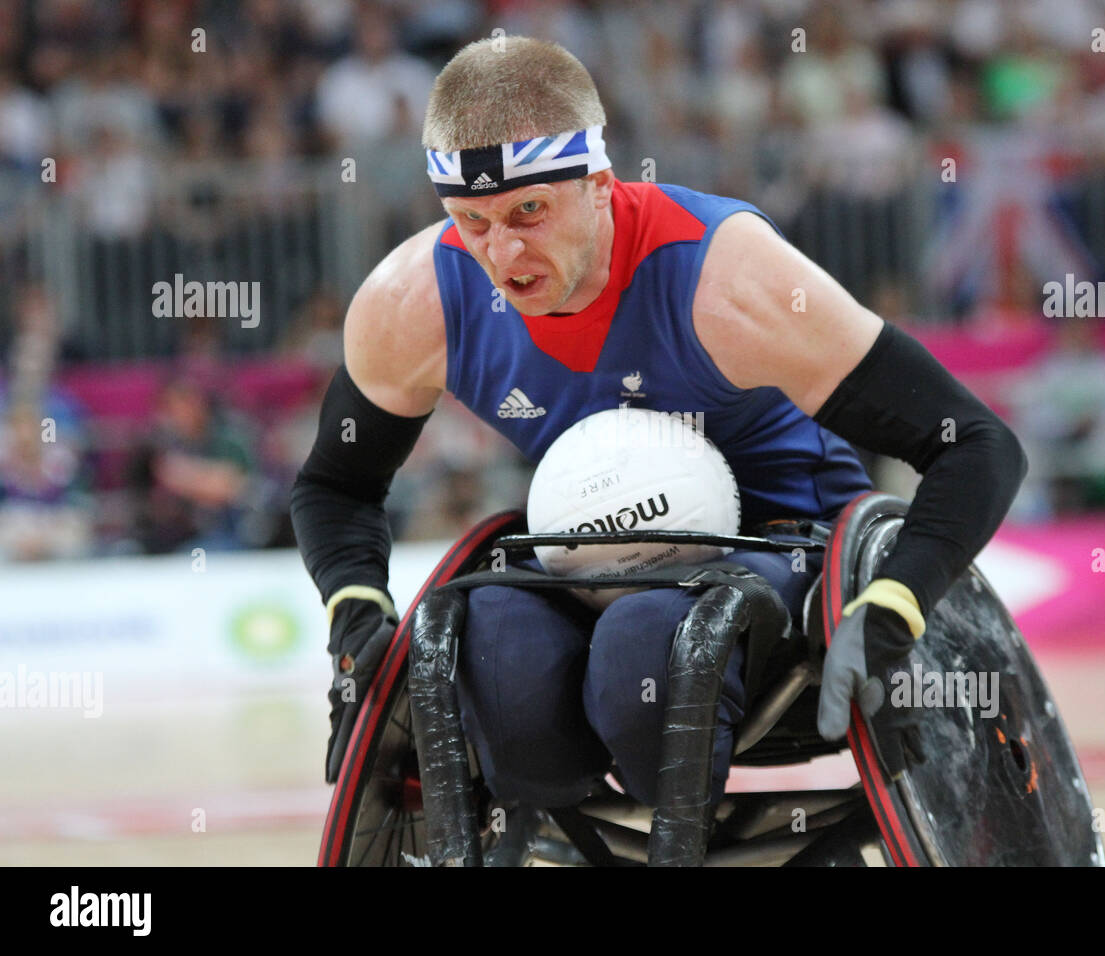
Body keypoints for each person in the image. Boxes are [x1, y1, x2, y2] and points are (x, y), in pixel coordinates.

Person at [290, 38, 1027, 807]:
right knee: (491, 646)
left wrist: (895, 603)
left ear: (599, 184)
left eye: (528, 211)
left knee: (643, 647)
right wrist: (354, 611)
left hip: (789, 550)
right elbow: (334, 486)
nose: (502, 254)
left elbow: (975, 444)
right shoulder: (412, 302)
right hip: (595, 555)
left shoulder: (726, 273)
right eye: (471, 220)